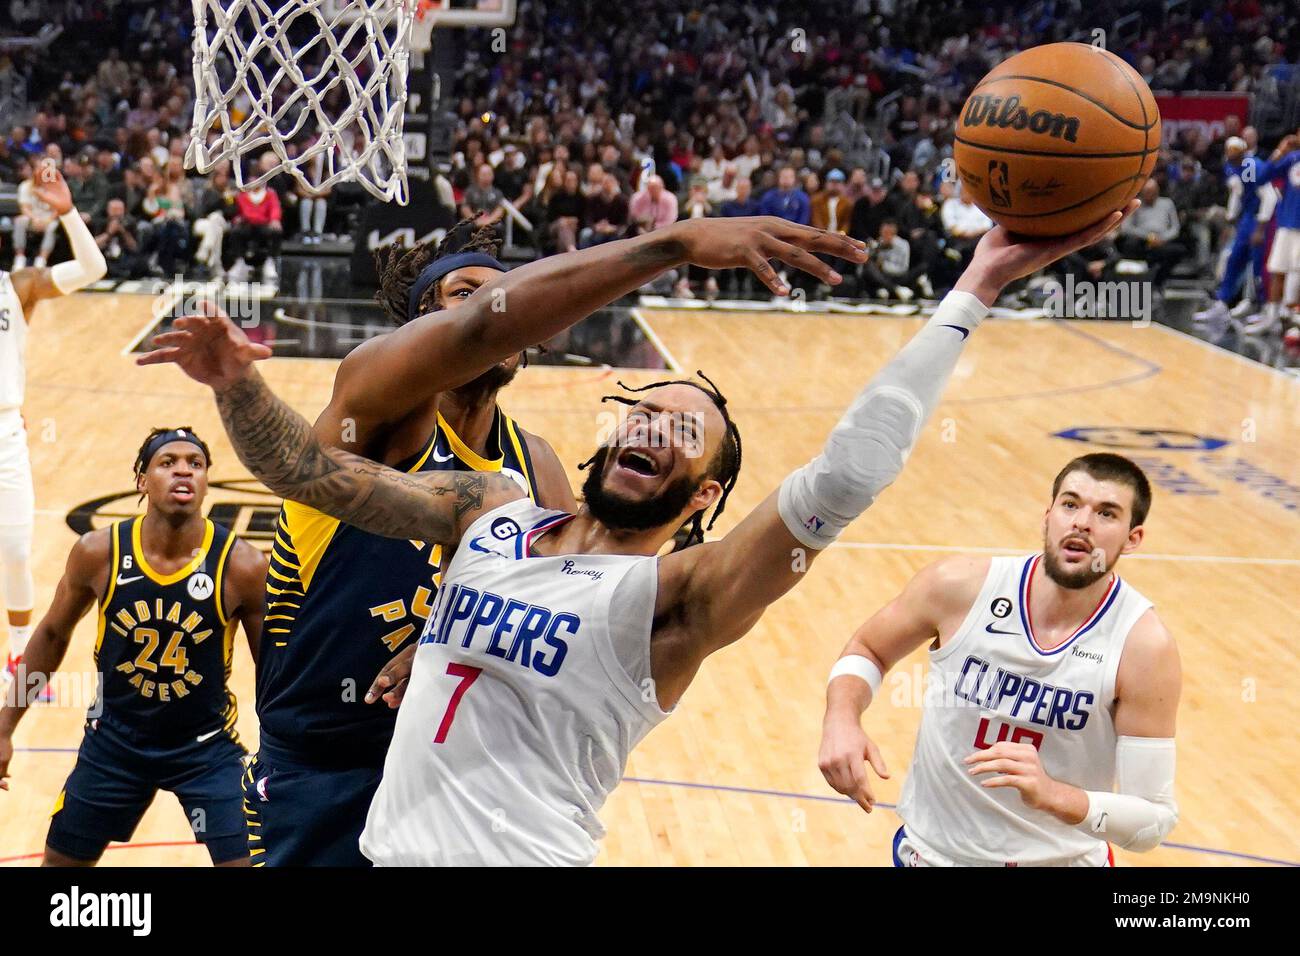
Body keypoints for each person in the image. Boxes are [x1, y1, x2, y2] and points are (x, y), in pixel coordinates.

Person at [142, 203, 1138, 866]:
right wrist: (237, 385)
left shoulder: (674, 599)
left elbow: (839, 481)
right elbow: (304, 468)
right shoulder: (488, 512)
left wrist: (974, 289)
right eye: (643, 410)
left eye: (684, 429)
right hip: (339, 787)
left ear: (703, 495)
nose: (655, 424)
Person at [197, 223, 574, 867]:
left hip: (454, 772)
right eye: (467, 294)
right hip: (324, 769)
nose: (498, 309)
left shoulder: (535, 464)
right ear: (423, 322)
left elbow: (567, 625)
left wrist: (448, 646)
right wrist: (672, 245)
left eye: (508, 295)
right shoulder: (374, 414)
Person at [819, 454, 1179, 867]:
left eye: (1106, 513)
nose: (1082, 522)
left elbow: (1153, 819)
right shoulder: (959, 586)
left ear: (1133, 538)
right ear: (1047, 516)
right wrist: (841, 719)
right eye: (1070, 504)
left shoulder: (1143, 646)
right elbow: (869, 649)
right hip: (933, 857)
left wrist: (1055, 795)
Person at [0, 428, 267, 866]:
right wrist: (5, 726)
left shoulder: (242, 565)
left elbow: (273, 672)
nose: (183, 470)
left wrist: (282, 757)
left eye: (195, 464)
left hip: (205, 747)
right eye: (168, 462)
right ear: (141, 479)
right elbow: (51, 636)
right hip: (115, 743)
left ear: (206, 481)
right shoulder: (98, 551)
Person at [0, 167, 106, 694]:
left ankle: (20, 651)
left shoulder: (15, 288)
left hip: (6, 438)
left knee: (17, 550)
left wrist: (66, 212)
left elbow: (93, 267)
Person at [1194, 136, 1277, 332]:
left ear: (1242, 149)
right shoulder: (1231, 166)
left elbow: (1269, 196)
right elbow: (1237, 193)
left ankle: (1264, 309)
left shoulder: (1252, 165)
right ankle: (1222, 304)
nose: (1229, 153)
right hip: (1246, 218)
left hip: (1261, 218)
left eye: (1233, 149)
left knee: (1259, 266)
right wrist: (1230, 220)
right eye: (1227, 149)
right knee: (1233, 260)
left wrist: (1260, 228)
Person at [1241, 134, 1300, 336]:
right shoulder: (1293, 158)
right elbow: (1262, 177)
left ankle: (1290, 321)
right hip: (1286, 224)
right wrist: (1280, 151)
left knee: (1296, 273)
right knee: (1277, 270)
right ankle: (1272, 317)